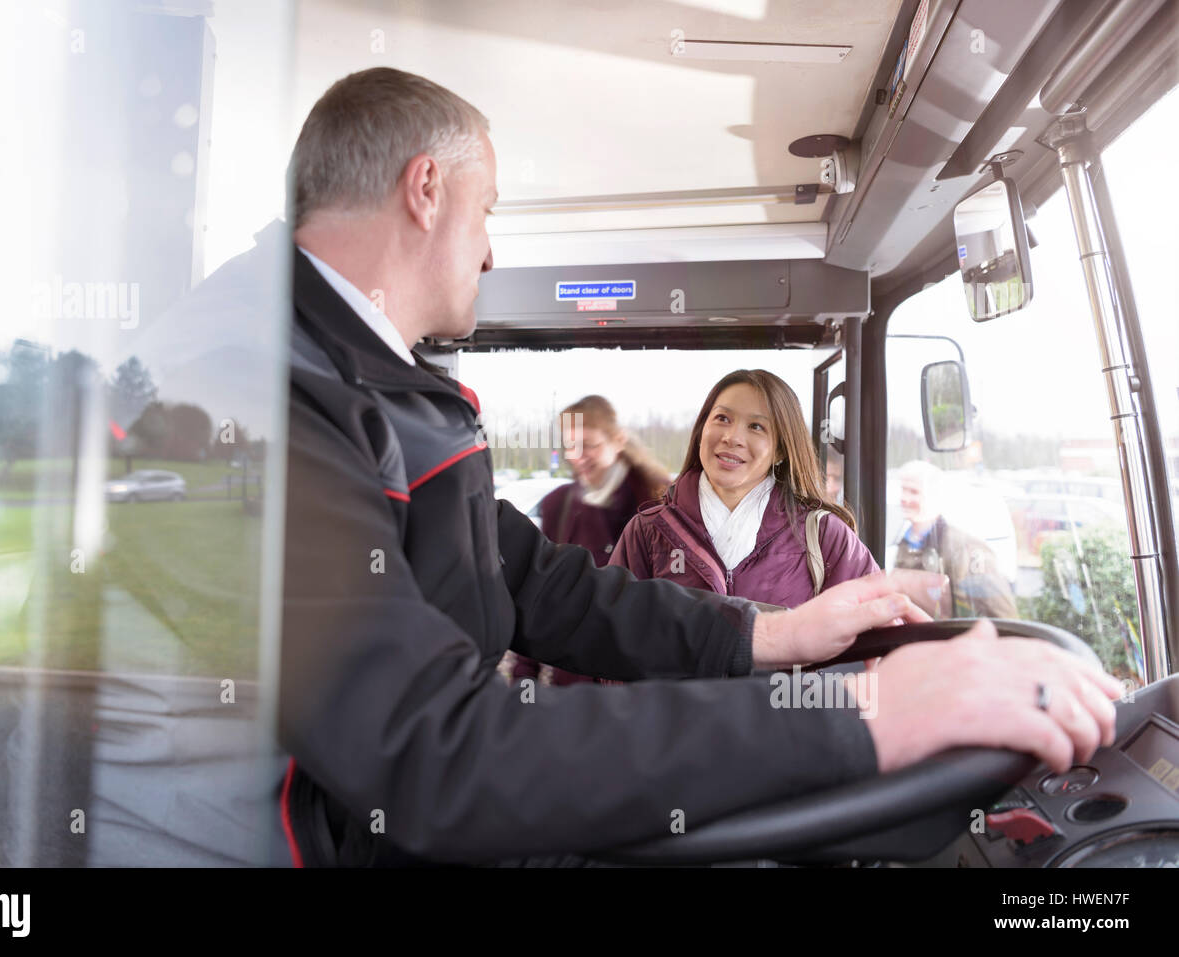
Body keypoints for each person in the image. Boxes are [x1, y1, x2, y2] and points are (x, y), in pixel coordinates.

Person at [279, 66, 1121, 867]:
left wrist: (769, 633)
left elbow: (541, 587)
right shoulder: (272, 400)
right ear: (426, 190)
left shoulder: (388, 388)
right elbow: (437, 753)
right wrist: (862, 712)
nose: (492, 254)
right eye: (488, 212)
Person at [609, 370, 879, 607]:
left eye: (756, 426)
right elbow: (608, 635)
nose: (732, 437)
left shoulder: (823, 536)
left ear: (781, 451)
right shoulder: (647, 532)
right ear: (702, 429)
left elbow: (875, 624)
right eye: (723, 419)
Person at [503, 396, 669, 687]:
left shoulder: (657, 504)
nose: (577, 456)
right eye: (570, 446)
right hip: (572, 691)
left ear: (618, 441)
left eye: (589, 445)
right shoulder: (559, 505)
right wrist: (523, 678)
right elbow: (540, 595)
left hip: (637, 689)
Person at [894, 460, 1018, 619]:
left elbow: (1002, 614)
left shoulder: (965, 548)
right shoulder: (905, 543)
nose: (904, 498)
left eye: (914, 492)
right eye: (903, 490)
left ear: (934, 496)